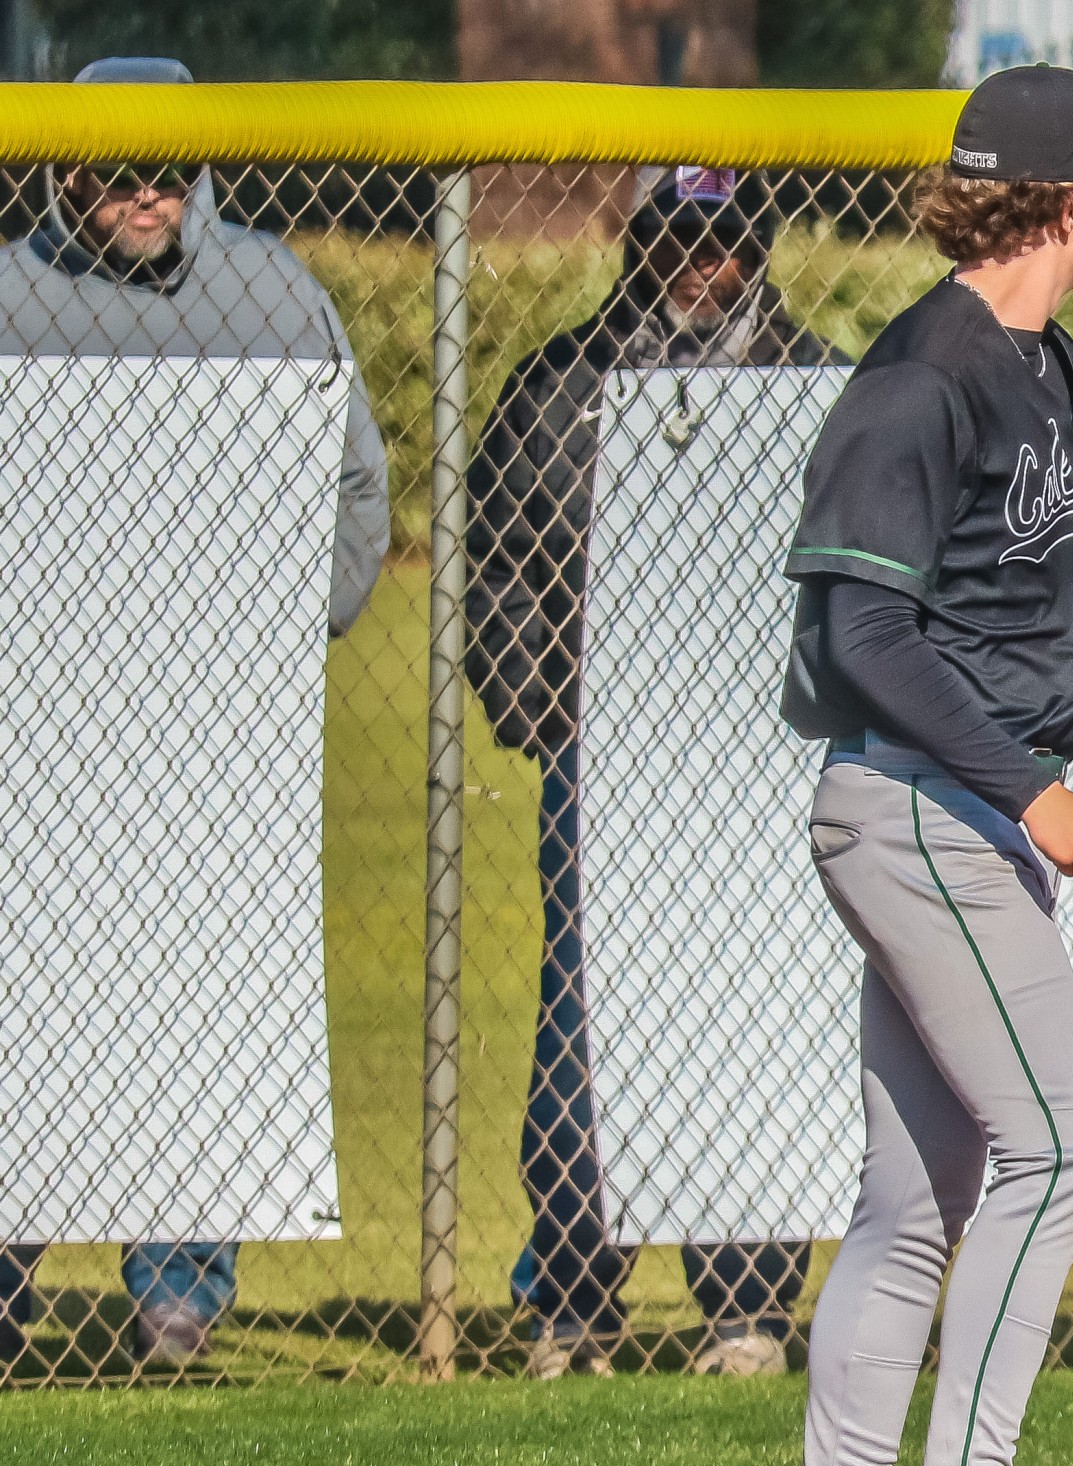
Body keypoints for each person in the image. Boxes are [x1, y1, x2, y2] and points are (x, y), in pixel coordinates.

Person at [759, 66, 1073, 1466]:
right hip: (921, 809)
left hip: (966, 809)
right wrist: (1036, 798)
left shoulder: (1051, 371)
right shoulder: (921, 378)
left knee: (918, 1195)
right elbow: (865, 634)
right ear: (1069, 203)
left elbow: (1057, 660)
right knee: (1061, 1145)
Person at [0, 56, 391, 1373]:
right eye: (117, 167)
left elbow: (354, 491)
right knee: (25, 986)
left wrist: (278, 643)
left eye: (167, 167)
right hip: (35, 735)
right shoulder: (8, 296)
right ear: (62, 165)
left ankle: (179, 1287)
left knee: (201, 988)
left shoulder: (271, 293)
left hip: (213, 737)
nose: (146, 192)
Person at [466, 165, 841, 1379]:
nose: (697, 262)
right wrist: (538, 709)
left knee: (761, 1016)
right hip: (605, 759)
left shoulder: (820, 386)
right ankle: (575, 1296)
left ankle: (747, 1302)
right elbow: (502, 560)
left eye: (722, 239)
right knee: (581, 1021)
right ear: (637, 243)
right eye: (674, 237)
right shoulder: (561, 383)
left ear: (759, 243)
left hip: (769, 761)